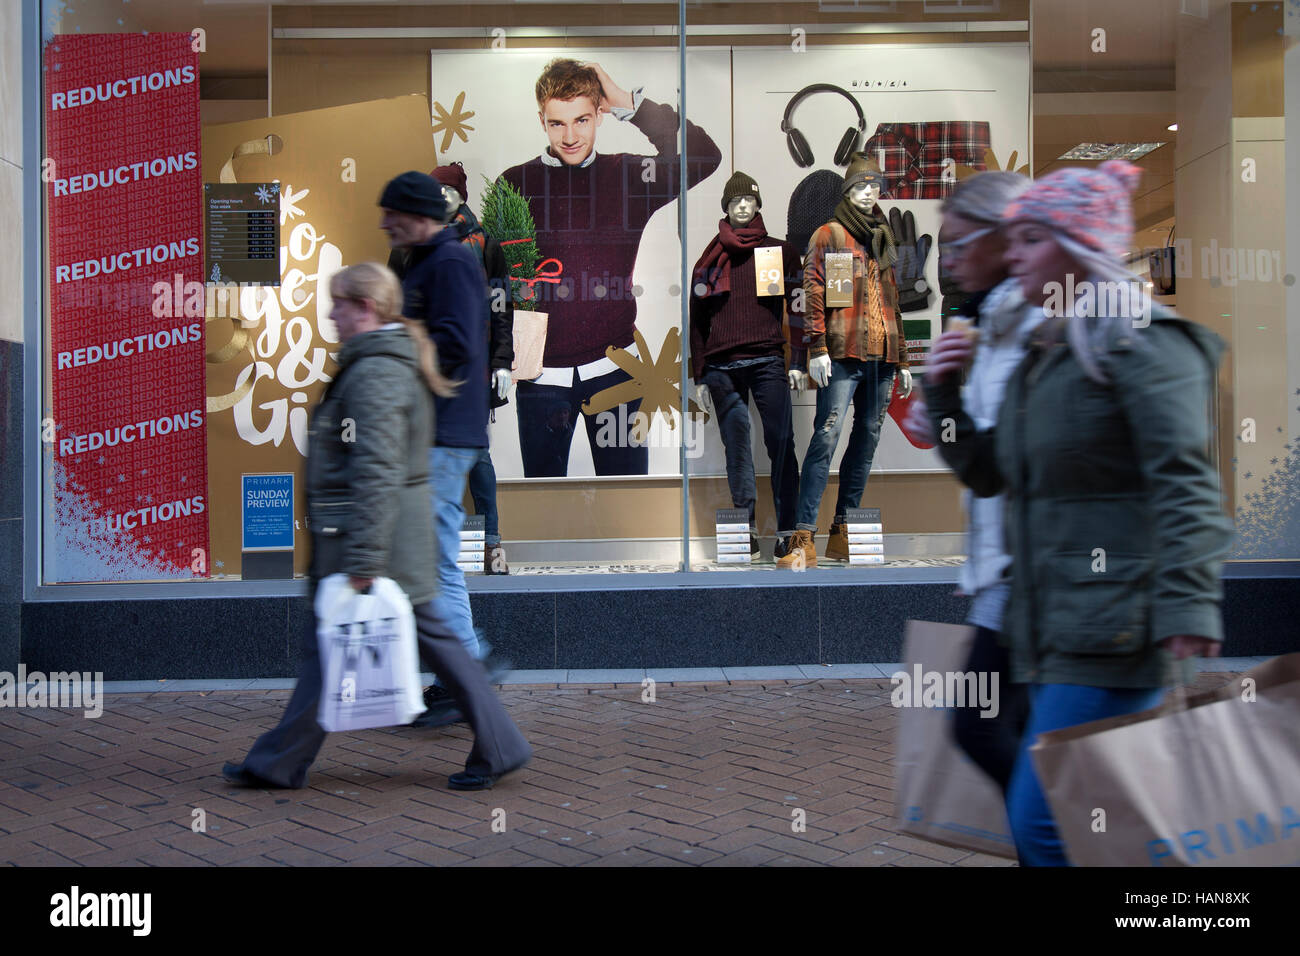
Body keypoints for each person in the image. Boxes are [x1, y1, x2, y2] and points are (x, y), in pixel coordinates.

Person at [923, 160, 1234, 865]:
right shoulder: (1049, 352)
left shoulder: (1145, 344)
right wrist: (944, 395)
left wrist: (1190, 606)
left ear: (1078, 247)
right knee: (1090, 819)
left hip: (1118, 627)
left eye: (1032, 239)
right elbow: (991, 470)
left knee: (1045, 821)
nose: (1017, 254)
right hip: (1052, 624)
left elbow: (1186, 483)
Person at [222, 263, 530, 792]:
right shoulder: (376, 363)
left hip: (375, 545)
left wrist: (365, 558)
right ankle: (279, 760)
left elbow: (378, 469)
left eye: (339, 304)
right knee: (355, 648)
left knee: (361, 647)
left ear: (365, 308)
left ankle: (279, 761)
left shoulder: (378, 371)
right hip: (383, 542)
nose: (331, 314)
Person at [500, 58, 721, 477]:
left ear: (600, 114)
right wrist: (497, 356)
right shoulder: (515, 182)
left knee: (625, 501)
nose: (570, 136)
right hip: (540, 378)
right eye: (557, 123)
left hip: (618, 371)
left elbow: (705, 156)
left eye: (582, 120)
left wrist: (628, 103)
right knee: (544, 504)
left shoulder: (629, 176)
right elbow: (495, 278)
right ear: (541, 120)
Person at [900, 171, 1033, 796]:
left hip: (1031, 575)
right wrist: (942, 405)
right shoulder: (988, 323)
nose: (948, 261)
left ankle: (1067, 838)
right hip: (1007, 572)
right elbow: (975, 456)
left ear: (1004, 238)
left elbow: (992, 469)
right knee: (1026, 735)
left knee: (982, 730)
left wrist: (947, 402)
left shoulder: (1033, 329)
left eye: (958, 245)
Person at [380, 171, 508, 727]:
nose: (385, 224)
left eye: (394, 215)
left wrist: (401, 333)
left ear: (418, 215)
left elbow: (458, 343)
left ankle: (469, 669)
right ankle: (463, 669)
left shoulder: (452, 261)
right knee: (435, 559)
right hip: (435, 430)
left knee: (431, 559)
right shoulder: (422, 260)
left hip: (446, 430)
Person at [779, 154, 912, 569]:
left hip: (882, 355)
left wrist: (903, 359)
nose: (869, 191)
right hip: (842, 352)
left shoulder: (881, 236)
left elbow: (894, 302)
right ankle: (804, 536)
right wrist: (815, 348)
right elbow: (813, 293)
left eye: (874, 184)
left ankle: (844, 531)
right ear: (847, 190)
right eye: (861, 185)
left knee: (866, 442)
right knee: (826, 438)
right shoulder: (829, 234)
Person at [391, 163, 516, 575]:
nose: (443, 196)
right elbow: (392, 310)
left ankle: (493, 542)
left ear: (462, 195)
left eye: (450, 189)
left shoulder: (484, 245)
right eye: (437, 189)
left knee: (478, 457)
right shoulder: (407, 249)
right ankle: (424, 550)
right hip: (420, 375)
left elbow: (501, 310)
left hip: (469, 373)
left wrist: (501, 361)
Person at [689, 171, 806, 559]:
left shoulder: (780, 252)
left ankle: (788, 531)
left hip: (769, 360)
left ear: (758, 205)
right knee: (737, 448)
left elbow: (799, 308)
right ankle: (746, 532)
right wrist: (700, 373)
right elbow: (697, 320)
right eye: (735, 201)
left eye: (749, 200)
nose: (742, 206)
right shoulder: (709, 258)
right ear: (725, 207)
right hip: (722, 367)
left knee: (782, 444)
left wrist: (799, 359)